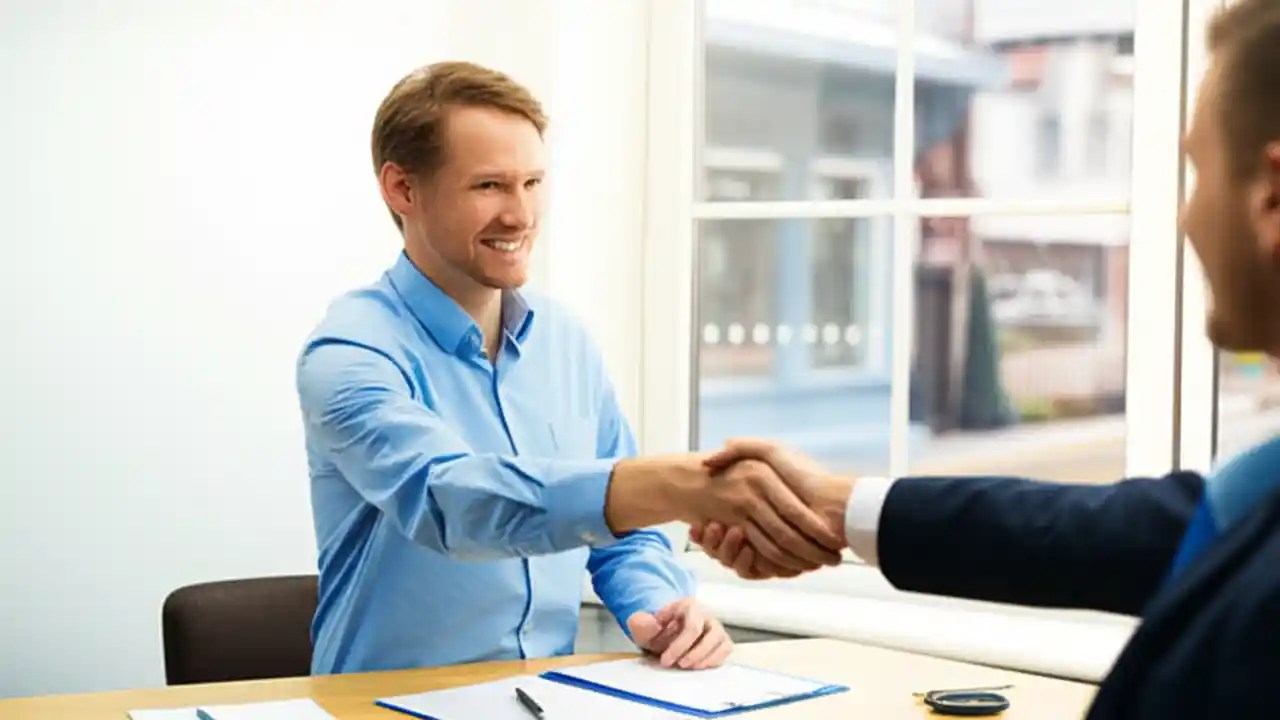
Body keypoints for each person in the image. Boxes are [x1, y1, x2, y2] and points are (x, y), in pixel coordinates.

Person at [692, 1, 1280, 717]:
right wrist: (841, 505)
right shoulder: (1256, 500)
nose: (1185, 215)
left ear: (1271, 196)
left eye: (1197, 171)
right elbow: (1131, 529)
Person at [295, 61, 844, 676]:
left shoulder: (566, 342)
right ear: (402, 190)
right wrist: (675, 483)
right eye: (489, 187)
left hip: (544, 700)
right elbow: (453, 501)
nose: (522, 215)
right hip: (382, 709)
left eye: (532, 182)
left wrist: (661, 607)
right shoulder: (349, 352)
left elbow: (625, 532)